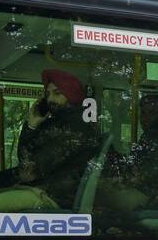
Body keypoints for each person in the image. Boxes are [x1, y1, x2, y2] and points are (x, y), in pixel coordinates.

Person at [16, 68, 101, 207]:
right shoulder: (59, 123)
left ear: (72, 95)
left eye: (57, 93)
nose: (50, 99)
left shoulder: (76, 129)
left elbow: (29, 168)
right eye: (48, 94)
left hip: (52, 197)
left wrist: (30, 126)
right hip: (44, 190)